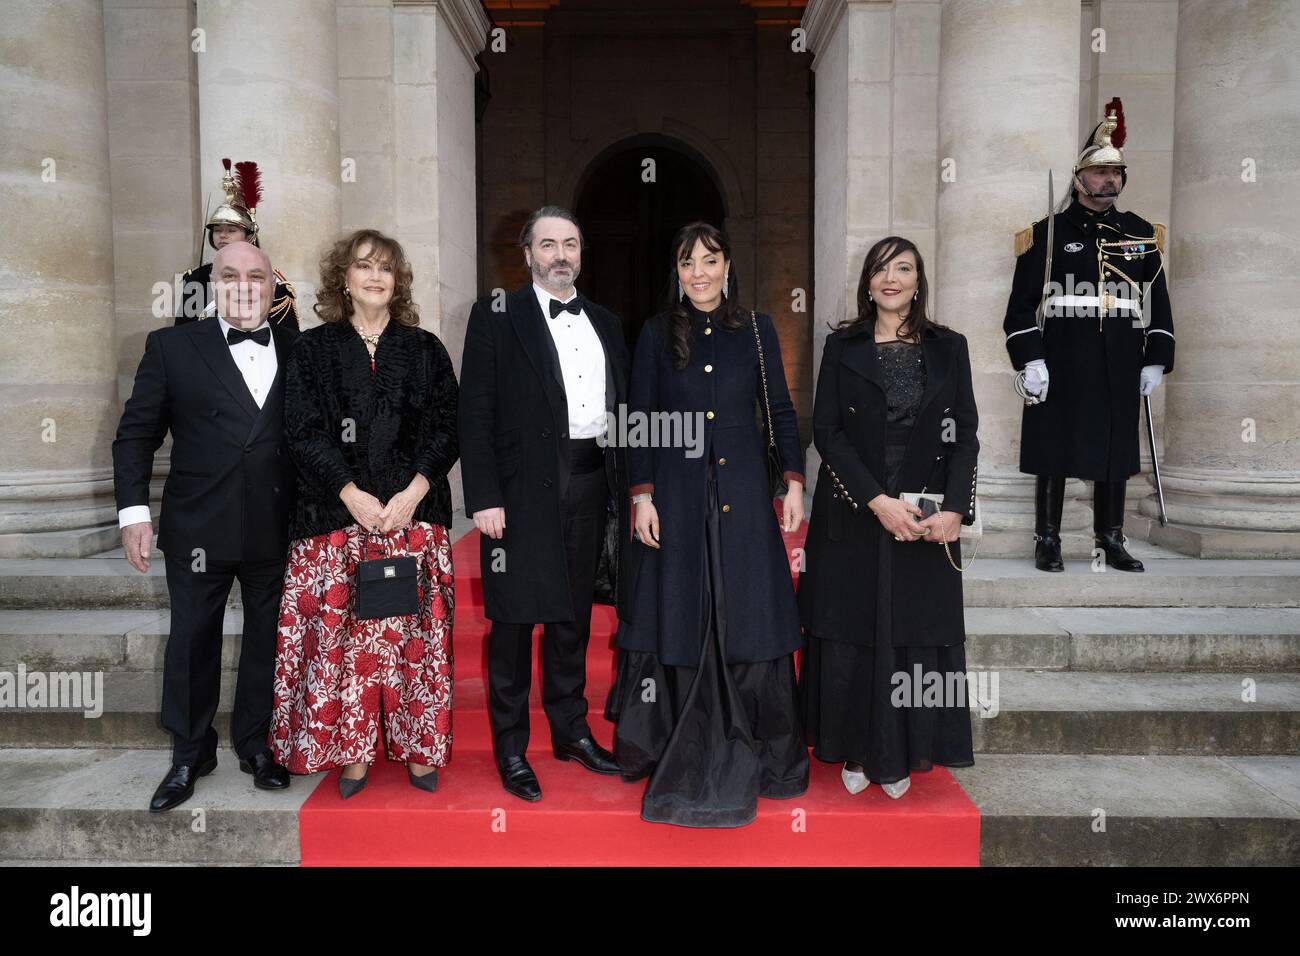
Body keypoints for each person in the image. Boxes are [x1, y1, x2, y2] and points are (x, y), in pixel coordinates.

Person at [605, 221, 807, 827]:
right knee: (679, 603)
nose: (699, 272)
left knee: (750, 605)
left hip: (744, 490)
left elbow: (779, 410)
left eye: (709, 260)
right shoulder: (656, 333)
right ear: (678, 272)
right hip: (677, 490)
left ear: (727, 266)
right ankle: (663, 740)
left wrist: (794, 481)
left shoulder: (759, 329)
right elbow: (637, 417)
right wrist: (642, 495)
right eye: (687, 262)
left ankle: (765, 748)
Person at [269, 229, 459, 798]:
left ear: (397, 281)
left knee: (412, 641)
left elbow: (449, 426)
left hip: (412, 520)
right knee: (346, 645)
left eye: (386, 268)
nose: (375, 277)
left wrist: (413, 492)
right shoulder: (311, 349)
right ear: (343, 278)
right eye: (363, 266)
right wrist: (351, 493)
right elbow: (301, 431)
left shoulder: (425, 349)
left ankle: (420, 749)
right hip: (333, 518)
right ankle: (351, 754)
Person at [113, 240, 297, 812]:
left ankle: (257, 743)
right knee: (193, 638)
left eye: (257, 276)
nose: (244, 285)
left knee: (269, 638)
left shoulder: (304, 350)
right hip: (198, 525)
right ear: (212, 284)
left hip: (278, 523)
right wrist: (134, 512)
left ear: (274, 287)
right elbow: (136, 435)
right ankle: (191, 753)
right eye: (230, 275)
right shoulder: (171, 347)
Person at [458, 205, 631, 802]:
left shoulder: (607, 321)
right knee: (512, 622)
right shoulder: (495, 315)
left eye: (572, 244)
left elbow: (624, 413)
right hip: (518, 492)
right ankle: (510, 746)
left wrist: (632, 490)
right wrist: (481, 496)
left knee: (572, 619)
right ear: (527, 253)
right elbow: (474, 411)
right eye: (549, 244)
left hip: (590, 483)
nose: (562, 254)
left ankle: (571, 732)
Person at [797, 236, 978, 799]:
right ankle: (854, 747)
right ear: (868, 282)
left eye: (904, 269)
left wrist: (955, 509)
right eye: (881, 269)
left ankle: (904, 751)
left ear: (918, 280)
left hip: (925, 513)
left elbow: (965, 435)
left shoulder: (951, 347)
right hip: (855, 507)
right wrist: (877, 501)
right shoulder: (842, 345)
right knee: (853, 627)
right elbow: (826, 430)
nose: (891, 278)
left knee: (914, 630)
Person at [1004, 97, 1175, 572]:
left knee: (1116, 448)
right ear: (1080, 178)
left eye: (1116, 173)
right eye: (1100, 173)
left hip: (1121, 353)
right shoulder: (1049, 233)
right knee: (1054, 445)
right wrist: (1030, 360)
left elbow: (1157, 299)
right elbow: (1021, 305)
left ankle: (1111, 539)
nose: (1110, 180)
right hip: (1062, 353)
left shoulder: (1141, 232)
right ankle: (1049, 538)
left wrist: (1155, 357)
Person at [175, 158, 299, 328]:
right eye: (218, 230)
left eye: (231, 230)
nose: (223, 236)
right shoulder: (198, 278)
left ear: (249, 236)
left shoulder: (273, 282)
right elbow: (181, 336)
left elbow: (286, 340)